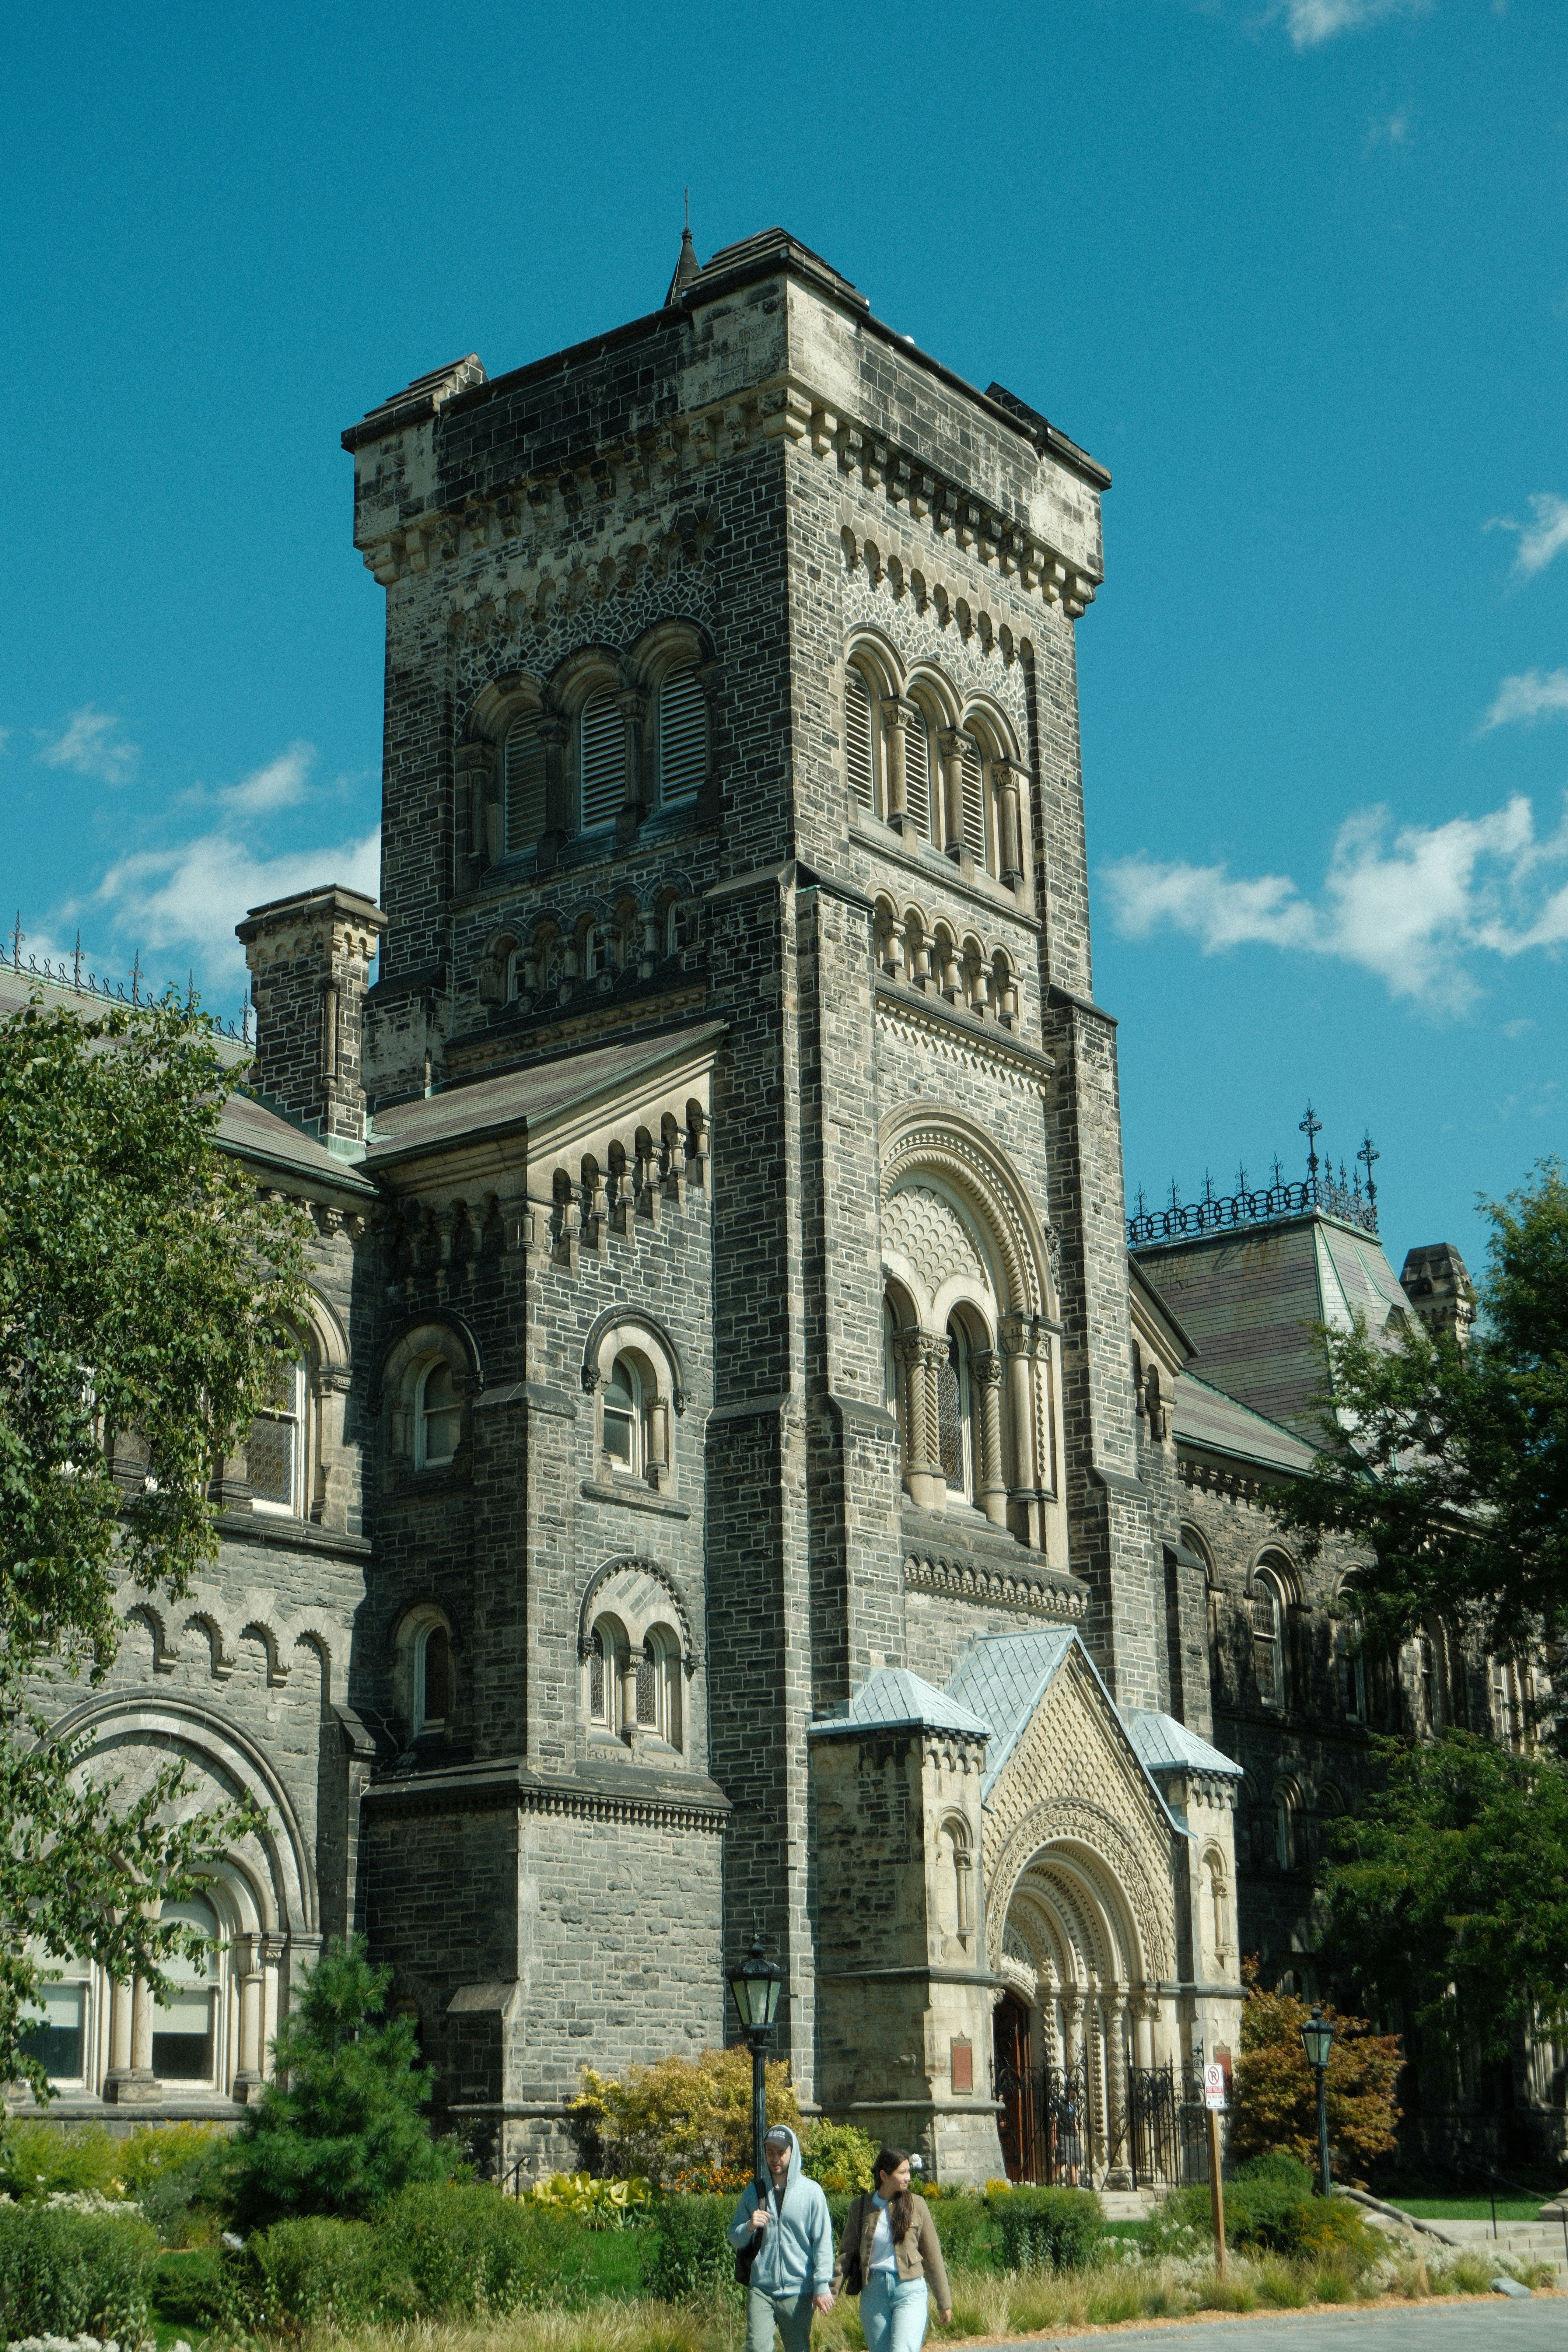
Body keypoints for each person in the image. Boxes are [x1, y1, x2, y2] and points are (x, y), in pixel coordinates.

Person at [727, 2123, 835, 2352]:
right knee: (756, 2348)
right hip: (761, 2289)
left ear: (792, 2152)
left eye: (781, 2153)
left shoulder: (812, 2192)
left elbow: (823, 2242)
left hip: (799, 2292)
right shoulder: (754, 2193)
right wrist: (748, 2227)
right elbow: (735, 2238)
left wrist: (822, 2285)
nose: (775, 2159)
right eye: (770, 2153)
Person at [834, 2145, 952, 2352]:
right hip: (874, 2292)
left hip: (910, 2291)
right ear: (884, 2175)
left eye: (909, 2172)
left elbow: (933, 2257)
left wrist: (944, 2302)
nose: (908, 2178)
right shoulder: (860, 2207)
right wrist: (831, 2291)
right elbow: (846, 2254)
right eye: (902, 2173)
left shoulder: (918, 2205)